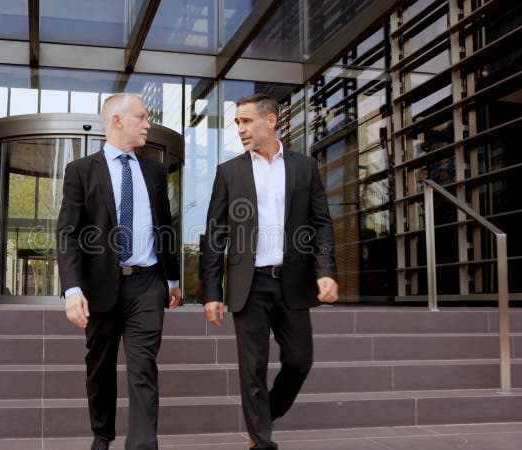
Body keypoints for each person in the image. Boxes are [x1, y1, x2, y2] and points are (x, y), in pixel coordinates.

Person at [201, 93, 338, 450]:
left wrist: (325, 269)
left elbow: (321, 223)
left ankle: (264, 415)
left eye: (246, 121)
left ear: (271, 120)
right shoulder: (229, 172)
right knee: (253, 368)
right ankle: (261, 441)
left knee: (299, 360)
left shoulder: (304, 167)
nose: (240, 129)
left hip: (293, 282)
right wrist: (212, 293)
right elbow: (215, 235)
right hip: (250, 284)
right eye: (237, 123)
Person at [57, 93, 181, 450]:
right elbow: (68, 233)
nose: (148, 124)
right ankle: (102, 434)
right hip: (99, 286)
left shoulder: (155, 171)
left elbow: (165, 226)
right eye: (141, 117)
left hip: (148, 283)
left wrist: (172, 279)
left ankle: (141, 445)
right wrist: (72, 289)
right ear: (117, 120)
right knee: (100, 365)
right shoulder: (81, 170)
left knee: (143, 367)